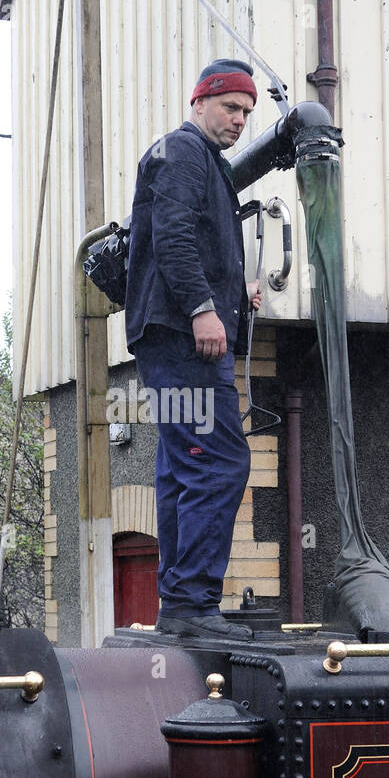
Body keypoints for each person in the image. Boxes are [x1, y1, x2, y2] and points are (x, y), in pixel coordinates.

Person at [125, 58, 263, 640]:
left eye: (247, 113)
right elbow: (173, 235)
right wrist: (205, 310)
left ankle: (181, 603)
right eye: (231, 107)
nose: (239, 120)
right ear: (200, 101)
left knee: (183, 469)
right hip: (186, 340)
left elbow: (190, 242)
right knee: (221, 462)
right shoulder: (182, 153)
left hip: (173, 338)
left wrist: (234, 293)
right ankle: (193, 603)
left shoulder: (199, 161)